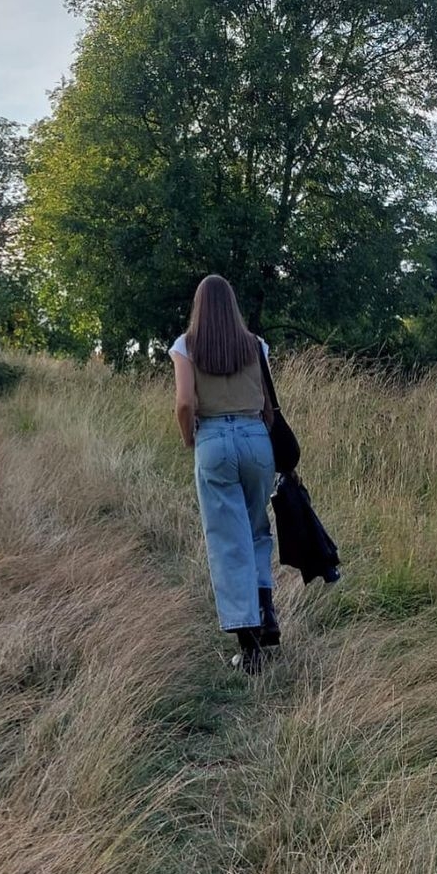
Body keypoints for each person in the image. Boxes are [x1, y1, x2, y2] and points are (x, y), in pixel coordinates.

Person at [169, 275, 279, 674]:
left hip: (213, 439)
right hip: (256, 437)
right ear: (232, 304)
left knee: (227, 541)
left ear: (198, 306)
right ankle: (267, 613)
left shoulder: (187, 345)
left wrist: (189, 440)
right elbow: (268, 404)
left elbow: (185, 403)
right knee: (257, 531)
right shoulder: (256, 345)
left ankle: (249, 647)